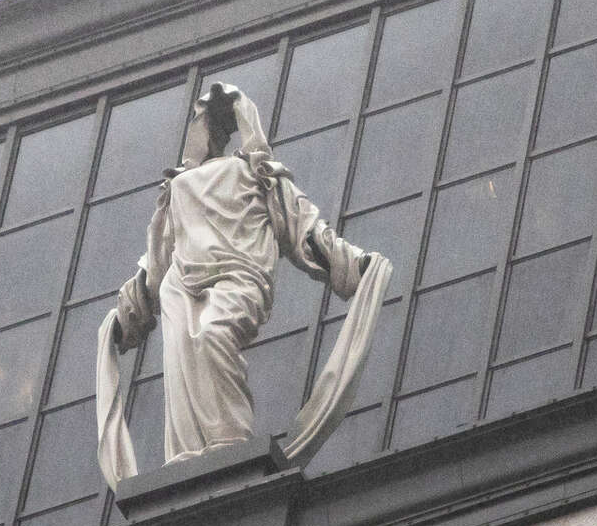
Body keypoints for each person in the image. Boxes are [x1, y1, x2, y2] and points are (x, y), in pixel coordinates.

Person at [95, 83, 389, 485]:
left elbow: (303, 230)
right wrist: (127, 316)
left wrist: (352, 264)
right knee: (184, 356)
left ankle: (228, 447)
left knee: (214, 335)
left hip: (240, 275)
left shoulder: (259, 173)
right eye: (209, 124)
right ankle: (192, 460)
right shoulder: (179, 187)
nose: (216, 133)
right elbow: (157, 262)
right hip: (181, 284)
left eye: (224, 122)